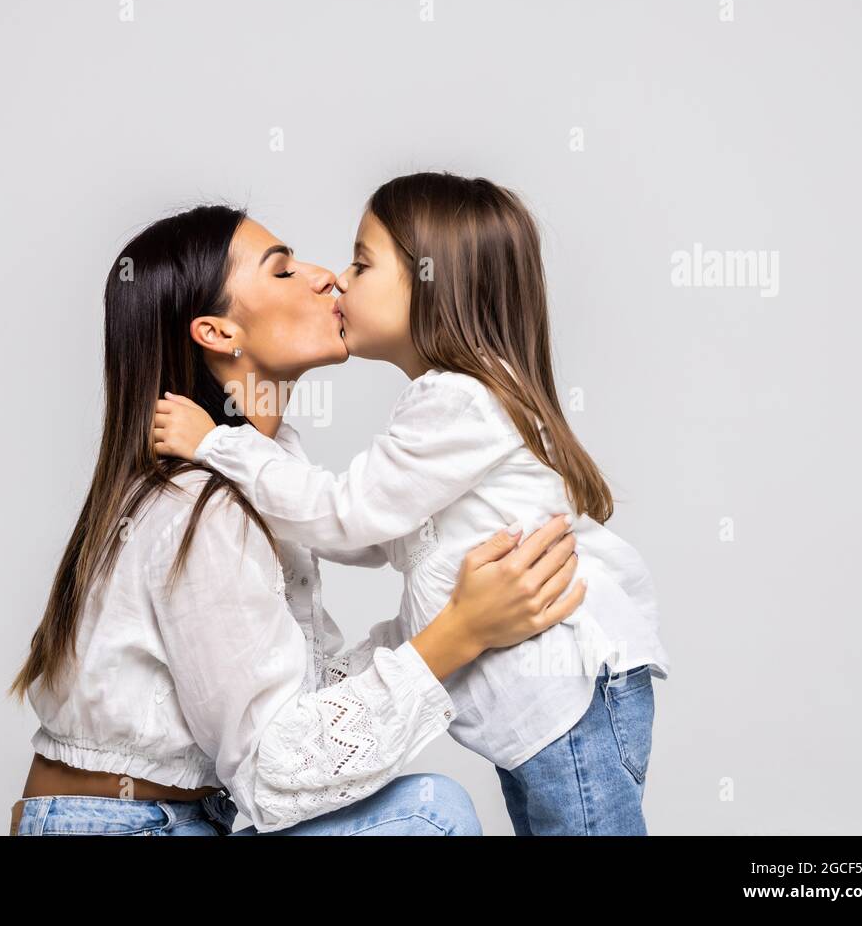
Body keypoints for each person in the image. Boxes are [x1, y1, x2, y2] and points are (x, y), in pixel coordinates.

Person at [8, 203, 585, 835]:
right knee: (429, 817)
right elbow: (270, 770)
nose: (326, 277)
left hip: (192, 814)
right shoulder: (202, 508)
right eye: (282, 272)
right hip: (124, 826)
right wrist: (457, 635)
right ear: (219, 333)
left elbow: (301, 701)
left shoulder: (265, 477)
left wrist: (463, 616)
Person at [154, 173, 670, 835]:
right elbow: (366, 535)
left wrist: (220, 447)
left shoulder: (455, 400)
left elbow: (347, 515)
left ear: (432, 283)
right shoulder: (451, 404)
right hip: (551, 707)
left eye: (362, 263)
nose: (338, 279)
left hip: (569, 699)